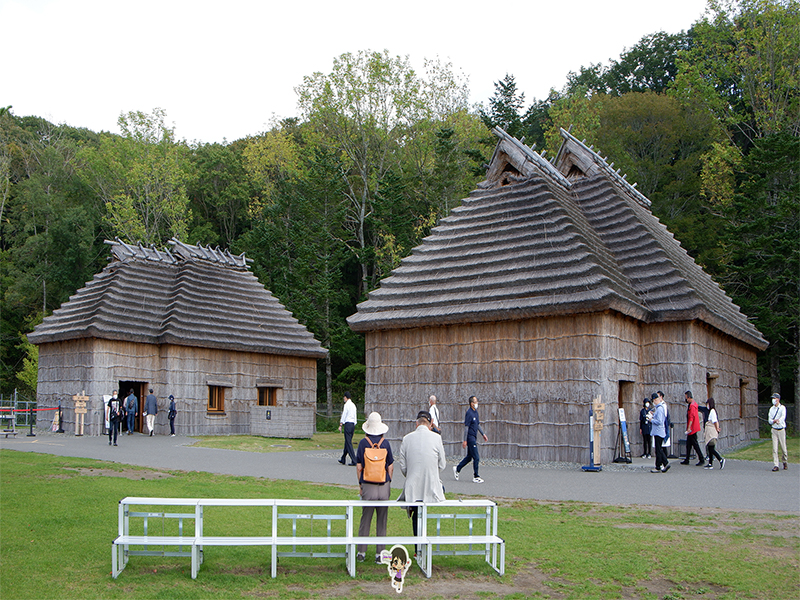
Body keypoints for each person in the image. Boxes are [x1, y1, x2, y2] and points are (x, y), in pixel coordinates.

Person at [397, 410, 446, 554]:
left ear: (416, 423)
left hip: (412, 486)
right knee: (425, 507)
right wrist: (432, 473)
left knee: (416, 514)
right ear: (430, 424)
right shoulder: (437, 439)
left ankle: (418, 549)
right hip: (431, 484)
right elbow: (442, 465)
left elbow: (403, 467)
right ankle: (422, 547)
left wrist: (412, 475)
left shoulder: (407, 438)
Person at [355, 412, 393, 564]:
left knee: (366, 518)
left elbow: (359, 467)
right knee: (382, 519)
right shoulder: (386, 443)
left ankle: (361, 552)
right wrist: (388, 480)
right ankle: (380, 554)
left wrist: (361, 484)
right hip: (383, 485)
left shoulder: (363, 443)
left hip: (368, 485)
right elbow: (390, 466)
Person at [454, 396, 488, 483]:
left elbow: (478, 424)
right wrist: (465, 440)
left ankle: (457, 468)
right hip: (470, 437)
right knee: (476, 457)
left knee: (469, 457)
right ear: (472, 403)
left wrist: (483, 434)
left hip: (474, 436)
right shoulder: (469, 413)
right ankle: (476, 476)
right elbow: (466, 427)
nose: (477, 403)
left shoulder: (475, 412)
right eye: (476, 401)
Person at [681, 391, 705, 466]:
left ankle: (701, 458)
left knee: (695, 444)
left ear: (688, 397)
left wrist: (689, 428)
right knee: (689, 444)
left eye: (686, 398)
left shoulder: (692, 406)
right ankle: (687, 459)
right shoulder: (694, 404)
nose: (686, 399)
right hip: (693, 427)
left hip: (692, 428)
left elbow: (691, 418)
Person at [649, 393, 670, 473]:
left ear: (656, 400)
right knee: (658, 449)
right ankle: (660, 465)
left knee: (659, 449)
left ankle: (664, 463)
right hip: (658, 431)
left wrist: (651, 420)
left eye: (654, 400)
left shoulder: (660, 408)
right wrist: (654, 414)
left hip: (659, 431)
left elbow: (660, 421)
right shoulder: (658, 408)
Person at [703, 397, 725, 470]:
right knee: (710, 447)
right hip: (711, 431)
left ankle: (720, 459)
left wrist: (717, 429)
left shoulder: (712, 411)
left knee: (711, 448)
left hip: (711, 432)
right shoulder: (712, 411)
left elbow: (715, 421)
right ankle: (710, 463)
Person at [768, 392, 788, 472]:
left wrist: (779, 420)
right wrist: (773, 421)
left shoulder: (782, 408)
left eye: (774, 398)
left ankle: (785, 461)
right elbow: (769, 420)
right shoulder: (771, 409)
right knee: (774, 448)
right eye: (773, 398)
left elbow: (783, 416)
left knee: (783, 448)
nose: (773, 400)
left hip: (781, 429)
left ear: (778, 399)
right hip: (774, 430)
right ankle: (776, 464)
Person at [338, 392, 357, 466]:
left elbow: (344, 414)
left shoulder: (347, 405)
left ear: (346, 397)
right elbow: (355, 416)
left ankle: (354, 460)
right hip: (352, 424)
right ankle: (343, 458)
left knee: (348, 443)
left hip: (348, 424)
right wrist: (354, 424)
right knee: (347, 441)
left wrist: (341, 424)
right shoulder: (353, 405)